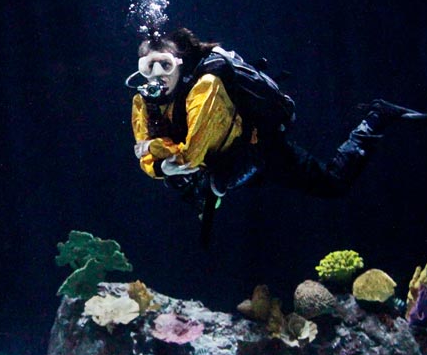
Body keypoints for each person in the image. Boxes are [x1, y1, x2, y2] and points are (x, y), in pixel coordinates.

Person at [127, 27, 412, 239]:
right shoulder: (143, 102)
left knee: (333, 184)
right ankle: (210, 195)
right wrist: (160, 166)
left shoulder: (206, 85)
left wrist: (157, 153)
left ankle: (374, 121)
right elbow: (147, 158)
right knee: (193, 189)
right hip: (224, 165)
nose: (157, 75)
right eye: (147, 67)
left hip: (259, 150)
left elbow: (191, 154)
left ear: (178, 62)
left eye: (163, 64)